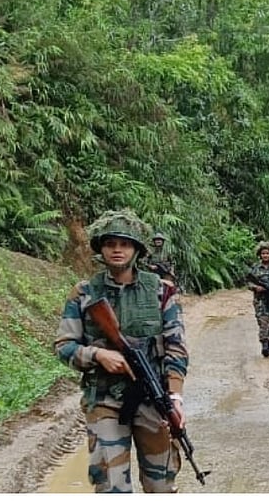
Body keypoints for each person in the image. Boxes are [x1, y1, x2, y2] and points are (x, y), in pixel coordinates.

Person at [54, 209, 189, 493]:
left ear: (137, 250)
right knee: (111, 487)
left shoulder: (160, 291)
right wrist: (98, 355)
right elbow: (64, 346)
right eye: (110, 243)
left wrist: (174, 395)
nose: (117, 250)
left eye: (125, 244)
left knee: (161, 484)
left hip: (152, 399)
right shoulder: (85, 292)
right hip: (104, 399)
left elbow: (176, 347)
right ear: (101, 249)